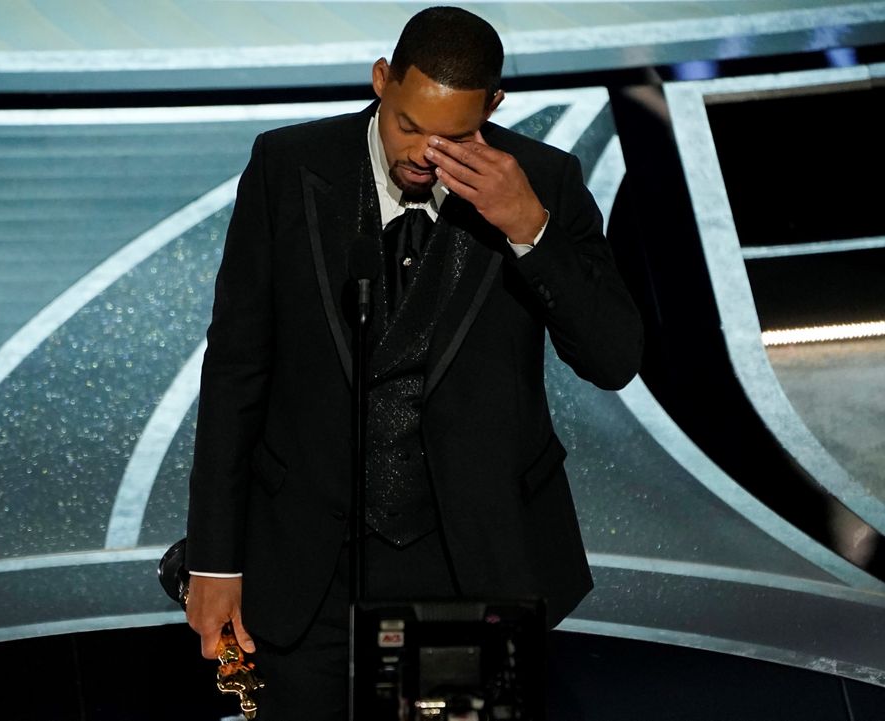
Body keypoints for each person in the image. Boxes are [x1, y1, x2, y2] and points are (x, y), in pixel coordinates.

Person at [184, 6, 642, 717]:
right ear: (381, 80)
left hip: (469, 566)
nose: (427, 153)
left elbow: (614, 357)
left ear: (493, 106)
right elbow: (237, 369)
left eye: (455, 135)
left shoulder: (543, 184)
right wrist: (216, 558)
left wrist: (531, 229)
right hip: (308, 563)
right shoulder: (287, 168)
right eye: (408, 124)